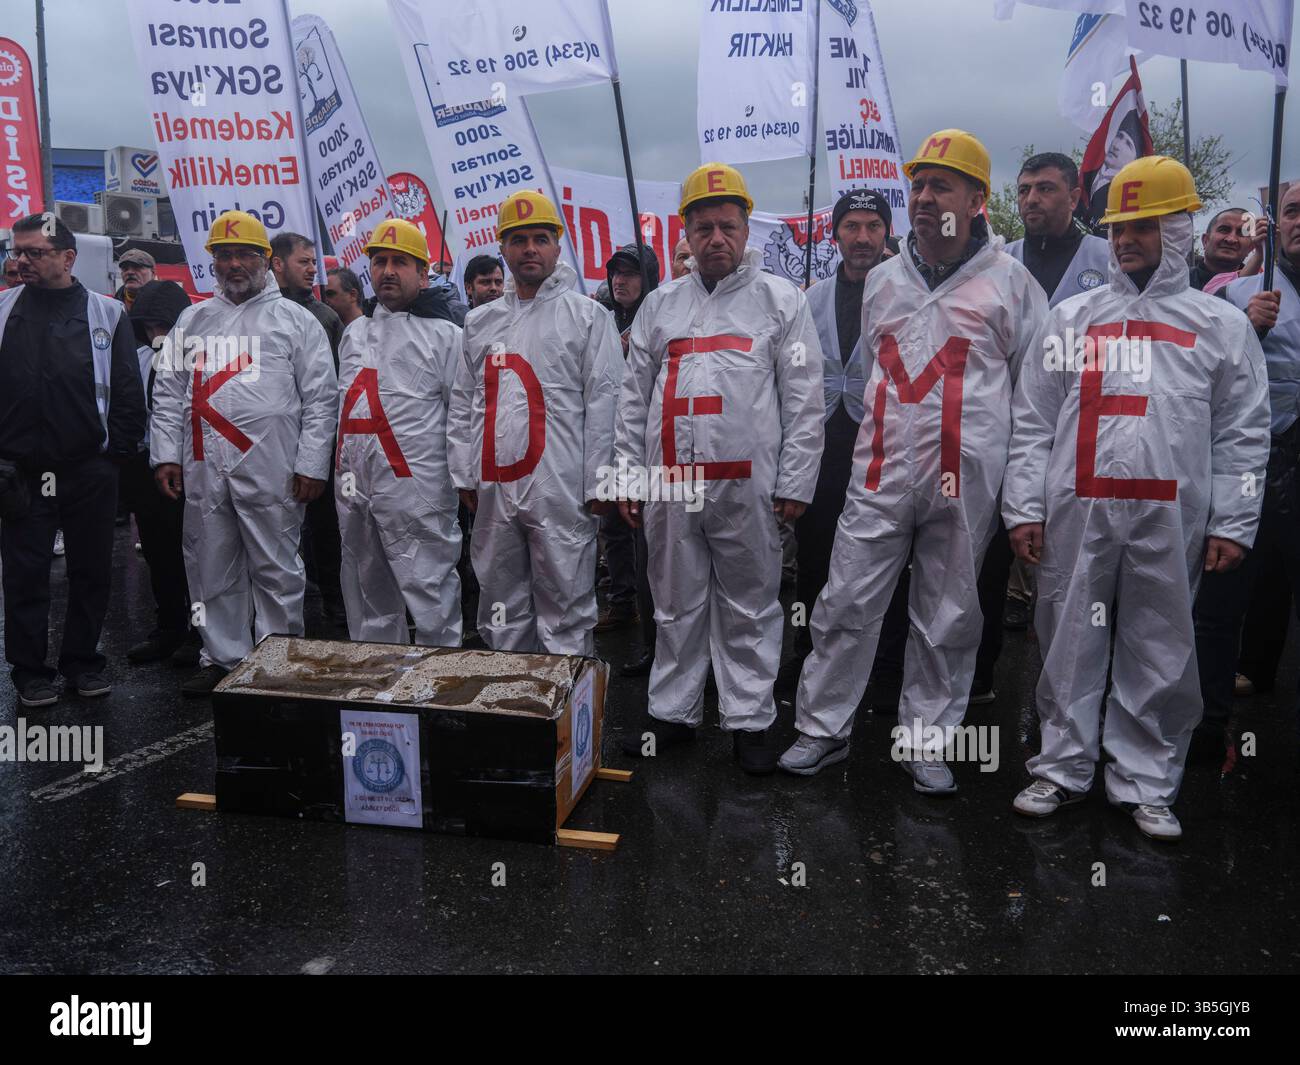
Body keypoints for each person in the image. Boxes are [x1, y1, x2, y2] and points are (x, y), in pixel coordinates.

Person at [1005, 156, 1269, 841]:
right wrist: (1024, 506)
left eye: (1144, 226)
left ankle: (1146, 779)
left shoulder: (1220, 326)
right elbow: (1032, 420)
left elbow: (1243, 431)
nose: (1127, 240)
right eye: (1119, 227)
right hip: (1077, 507)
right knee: (1067, 638)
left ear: (1178, 229)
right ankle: (1062, 766)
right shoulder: (1072, 318)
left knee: (1161, 642)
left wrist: (1235, 522)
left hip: (1169, 513)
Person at [779, 130, 1048, 786]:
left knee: (947, 610)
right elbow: (874, 374)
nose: (925, 197)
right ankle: (822, 726)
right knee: (844, 598)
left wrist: (1021, 495)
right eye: (919, 184)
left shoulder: (1013, 286)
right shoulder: (885, 282)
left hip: (965, 482)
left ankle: (926, 739)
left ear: (978, 199)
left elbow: (1035, 397)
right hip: (880, 473)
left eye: (942, 185)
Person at [617, 162, 824, 775]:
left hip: (748, 487)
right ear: (685, 230)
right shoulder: (659, 305)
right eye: (703, 227)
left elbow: (804, 399)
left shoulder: (781, 301)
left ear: (744, 228)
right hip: (669, 484)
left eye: (727, 227)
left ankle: (750, 719)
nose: (715, 239)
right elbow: (633, 398)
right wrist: (628, 475)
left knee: (750, 602)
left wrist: (795, 480)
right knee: (673, 600)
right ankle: (673, 714)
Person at [150, 211, 337, 695]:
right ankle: (222, 657)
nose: (234, 264)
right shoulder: (192, 318)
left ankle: (277, 658)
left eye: (244, 254)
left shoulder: (296, 321)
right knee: (210, 563)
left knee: (276, 565)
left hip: (272, 466)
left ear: (267, 261)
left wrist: (311, 464)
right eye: (224, 255)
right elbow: (169, 391)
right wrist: (165, 455)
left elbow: (321, 398)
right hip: (203, 463)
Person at [447, 190, 621, 655]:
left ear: (557, 247)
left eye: (540, 239)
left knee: (566, 602)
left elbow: (605, 401)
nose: (529, 249)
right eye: (518, 239)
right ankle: (512, 708)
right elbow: (465, 402)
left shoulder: (588, 316)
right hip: (494, 485)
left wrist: (599, 480)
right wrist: (464, 472)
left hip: (559, 485)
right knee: (501, 603)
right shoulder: (480, 322)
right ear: (501, 247)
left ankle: (568, 720)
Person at [0, 213, 147, 706]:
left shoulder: (107, 314)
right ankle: (29, 672)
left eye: (33, 253)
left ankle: (83, 663)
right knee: (25, 575)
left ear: (67, 257)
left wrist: (116, 459)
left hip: (88, 468)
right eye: (16, 252)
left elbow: (128, 391)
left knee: (90, 571)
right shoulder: (3, 310)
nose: (20, 262)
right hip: (21, 472)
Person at [1194, 180, 1300, 753]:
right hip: (1252, 464)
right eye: (1292, 211)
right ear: (1276, 225)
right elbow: (1199, 382)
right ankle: (1207, 730)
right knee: (1222, 600)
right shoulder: (1233, 297)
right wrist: (1248, 332)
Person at [776, 188, 891, 696]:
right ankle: (806, 654)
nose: (862, 237)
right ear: (835, 233)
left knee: (878, 560)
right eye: (851, 226)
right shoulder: (811, 296)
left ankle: (883, 665)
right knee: (815, 556)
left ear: (886, 232)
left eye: (872, 226)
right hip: (823, 442)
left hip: (882, 445)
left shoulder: (902, 289)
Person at [995, 154, 1112, 636]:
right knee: (1008, 516)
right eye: (1023, 190)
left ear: (1075, 195)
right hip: (1005, 415)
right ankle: (1011, 597)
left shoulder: (1105, 258)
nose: (1030, 200)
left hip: (1079, 419)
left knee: (1070, 532)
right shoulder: (1002, 261)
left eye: (1044, 189)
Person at [335, 219, 463, 647]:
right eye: (379, 261)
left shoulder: (446, 336)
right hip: (356, 487)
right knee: (366, 588)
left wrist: (461, 478)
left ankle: (439, 686)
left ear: (423, 274)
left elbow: (461, 415)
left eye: (400, 262)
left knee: (429, 589)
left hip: (418, 487)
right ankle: (377, 677)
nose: (388, 270)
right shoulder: (353, 333)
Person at [270, 231, 346, 630]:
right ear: (278, 264)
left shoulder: (324, 316)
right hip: (269, 447)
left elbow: (330, 388)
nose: (313, 269)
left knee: (324, 528)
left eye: (314, 262)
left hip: (316, 446)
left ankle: (333, 605)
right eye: (304, 262)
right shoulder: (258, 315)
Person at [121, 279, 195, 665]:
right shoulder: (136, 360)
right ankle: (169, 627)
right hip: (146, 470)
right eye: (149, 328)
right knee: (158, 553)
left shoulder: (198, 360)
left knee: (196, 556)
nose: (157, 335)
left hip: (191, 471)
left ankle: (200, 635)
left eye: (164, 326)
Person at [598, 243, 660, 642]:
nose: (622, 280)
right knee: (612, 526)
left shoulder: (661, 318)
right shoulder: (600, 319)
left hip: (648, 442)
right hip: (606, 437)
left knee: (647, 531)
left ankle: (654, 617)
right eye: (617, 273)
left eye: (632, 273)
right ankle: (623, 603)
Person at [1190, 208, 1253, 292]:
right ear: (1205, 241)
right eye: (1224, 230)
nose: (1231, 239)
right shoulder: (1177, 282)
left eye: (1241, 233)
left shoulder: (1261, 288)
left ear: (1250, 248)